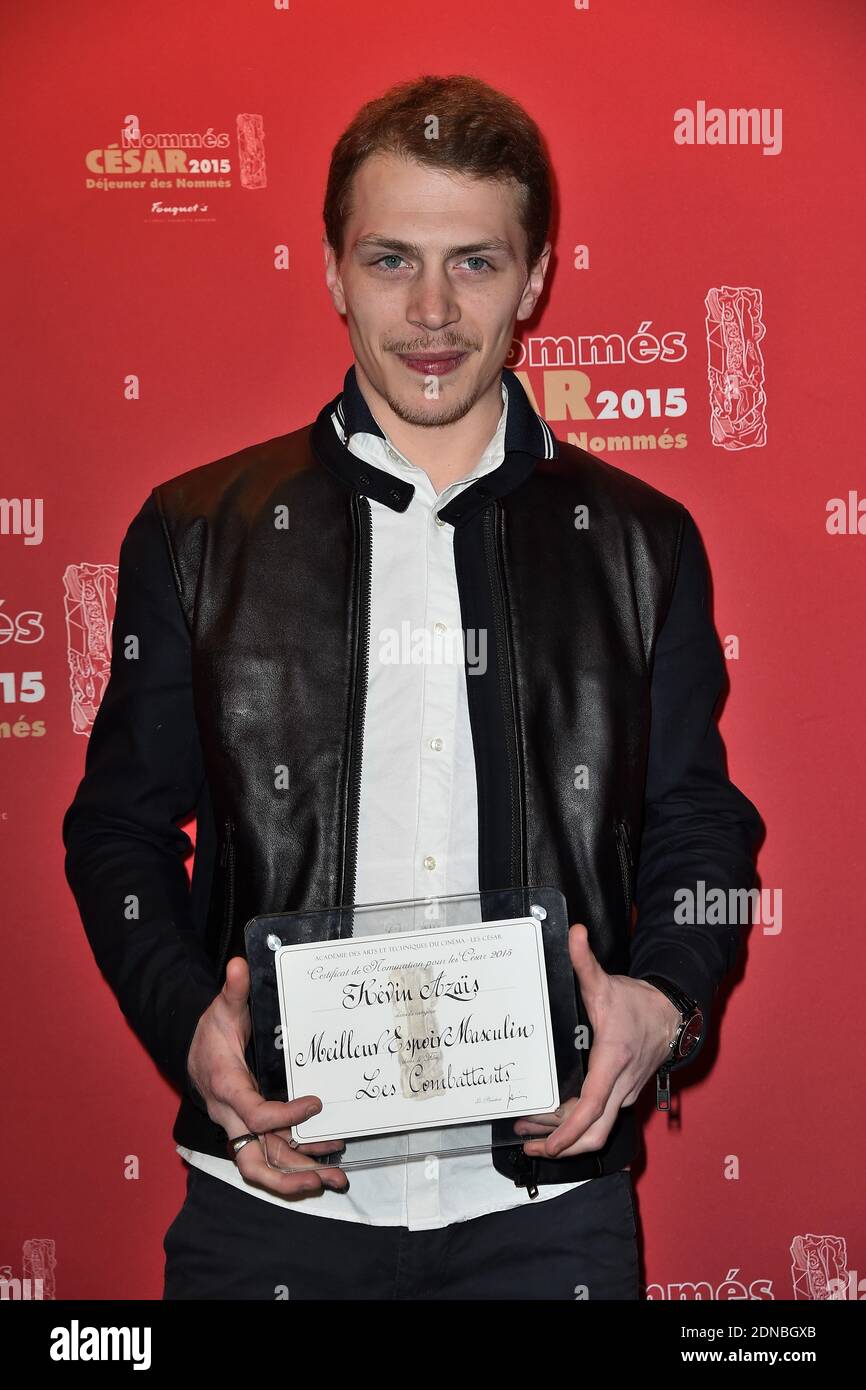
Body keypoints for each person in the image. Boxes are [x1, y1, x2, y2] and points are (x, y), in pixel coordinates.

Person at [62, 73, 764, 1301]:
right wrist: (189, 1025)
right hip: (268, 1197)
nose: (431, 311)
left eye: (475, 263)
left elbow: (700, 829)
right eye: (390, 260)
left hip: (545, 1210)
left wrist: (664, 1002)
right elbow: (115, 830)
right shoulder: (196, 533)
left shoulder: (643, 542)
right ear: (332, 270)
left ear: (535, 276)